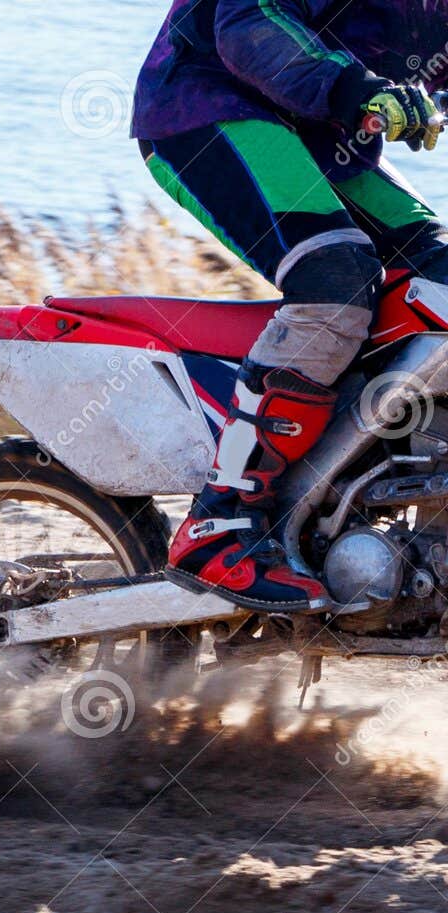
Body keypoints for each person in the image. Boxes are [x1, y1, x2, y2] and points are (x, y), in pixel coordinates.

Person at [132, 0, 448, 612]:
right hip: (212, 108)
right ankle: (219, 523)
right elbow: (248, 22)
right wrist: (359, 90)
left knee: (439, 281)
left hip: (328, 133)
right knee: (336, 280)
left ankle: (349, 487)